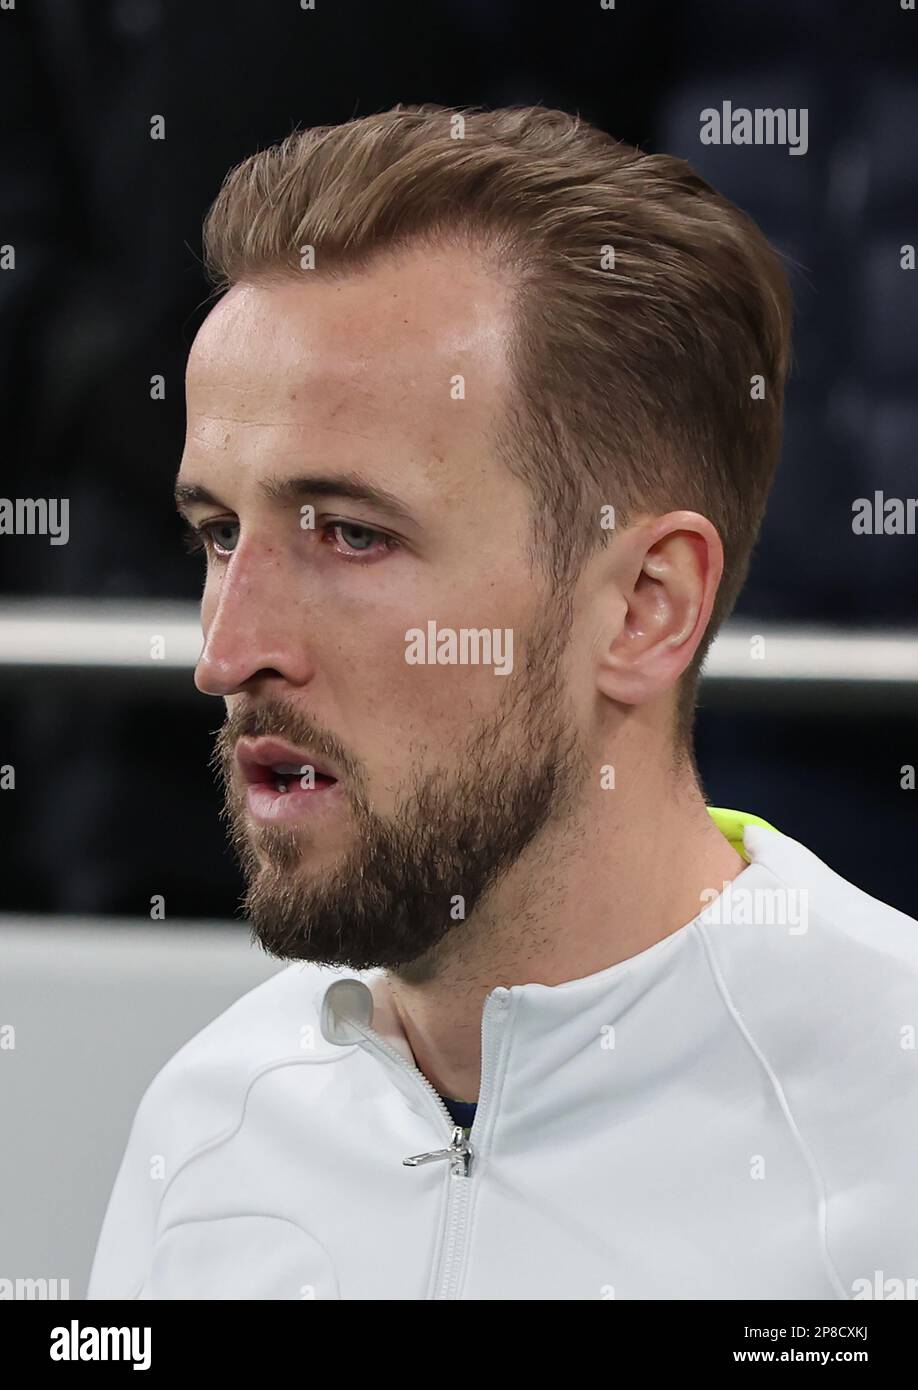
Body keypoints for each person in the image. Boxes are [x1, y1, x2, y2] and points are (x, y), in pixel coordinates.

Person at [87, 104, 918, 1300]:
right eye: (220, 532)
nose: (227, 652)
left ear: (643, 607)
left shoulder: (885, 1129)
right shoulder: (210, 1125)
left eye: (353, 536)